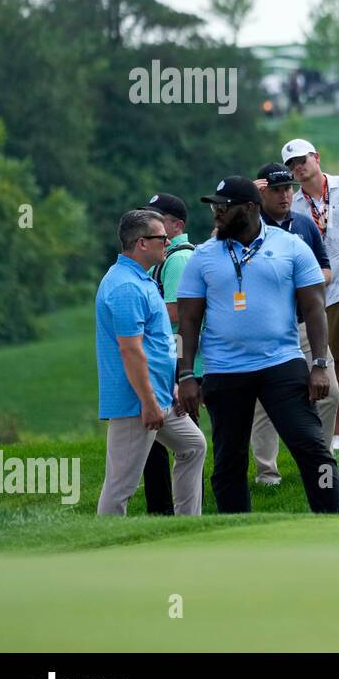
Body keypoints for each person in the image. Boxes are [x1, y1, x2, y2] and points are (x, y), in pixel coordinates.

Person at [175, 177, 339, 514]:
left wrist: (320, 364)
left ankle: (333, 519)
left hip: (282, 363)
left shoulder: (291, 246)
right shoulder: (203, 256)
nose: (216, 213)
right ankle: (234, 533)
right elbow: (187, 322)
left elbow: (314, 307)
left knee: (312, 449)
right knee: (229, 460)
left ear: (250, 208)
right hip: (224, 370)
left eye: (224, 206)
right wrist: (186, 375)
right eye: (214, 206)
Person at [96, 209, 207, 516]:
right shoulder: (125, 287)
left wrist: (169, 387)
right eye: (162, 238)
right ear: (142, 243)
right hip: (136, 400)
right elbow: (130, 351)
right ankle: (101, 551)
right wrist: (147, 401)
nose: (168, 242)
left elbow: (155, 345)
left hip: (158, 396)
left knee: (193, 446)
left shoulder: (140, 280)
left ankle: (185, 526)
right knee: (121, 485)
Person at [247, 163, 339, 486]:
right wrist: (247, 200)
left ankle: (322, 461)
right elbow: (220, 249)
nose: (286, 195)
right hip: (265, 329)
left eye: (288, 188)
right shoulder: (247, 226)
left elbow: (326, 269)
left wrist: (308, 282)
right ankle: (266, 471)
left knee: (331, 393)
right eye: (276, 190)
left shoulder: (303, 224)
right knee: (264, 401)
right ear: (261, 193)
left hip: (303, 324)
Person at [282, 138, 339, 452]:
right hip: (323, 295)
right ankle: (335, 434)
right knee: (334, 367)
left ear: (317, 157)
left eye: (302, 159)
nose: (298, 167)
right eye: (292, 164)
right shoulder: (292, 205)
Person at [137, 192, 199, 515]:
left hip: (177, 358)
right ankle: (165, 508)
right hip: (168, 355)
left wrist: (137, 309)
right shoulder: (165, 259)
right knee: (163, 440)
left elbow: (177, 310)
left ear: (176, 225)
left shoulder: (178, 259)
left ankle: (168, 509)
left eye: (159, 219)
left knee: (176, 439)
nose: (153, 224)